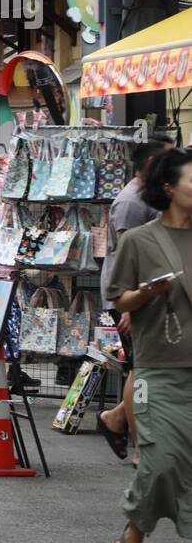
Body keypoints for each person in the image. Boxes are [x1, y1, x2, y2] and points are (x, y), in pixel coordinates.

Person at [105, 148, 192, 543]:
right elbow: (120, 296)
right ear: (169, 188)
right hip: (159, 369)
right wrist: (147, 293)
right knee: (159, 463)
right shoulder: (140, 240)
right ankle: (137, 525)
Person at [99, 137, 177, 462]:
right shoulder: (131, 203)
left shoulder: (154, 197)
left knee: (146, 368)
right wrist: (132, 304)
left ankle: (116, 419)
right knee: (140, 369)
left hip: (153, 296)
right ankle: (137, 446)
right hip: (133, 297)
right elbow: (130, 259)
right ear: (150, 165)